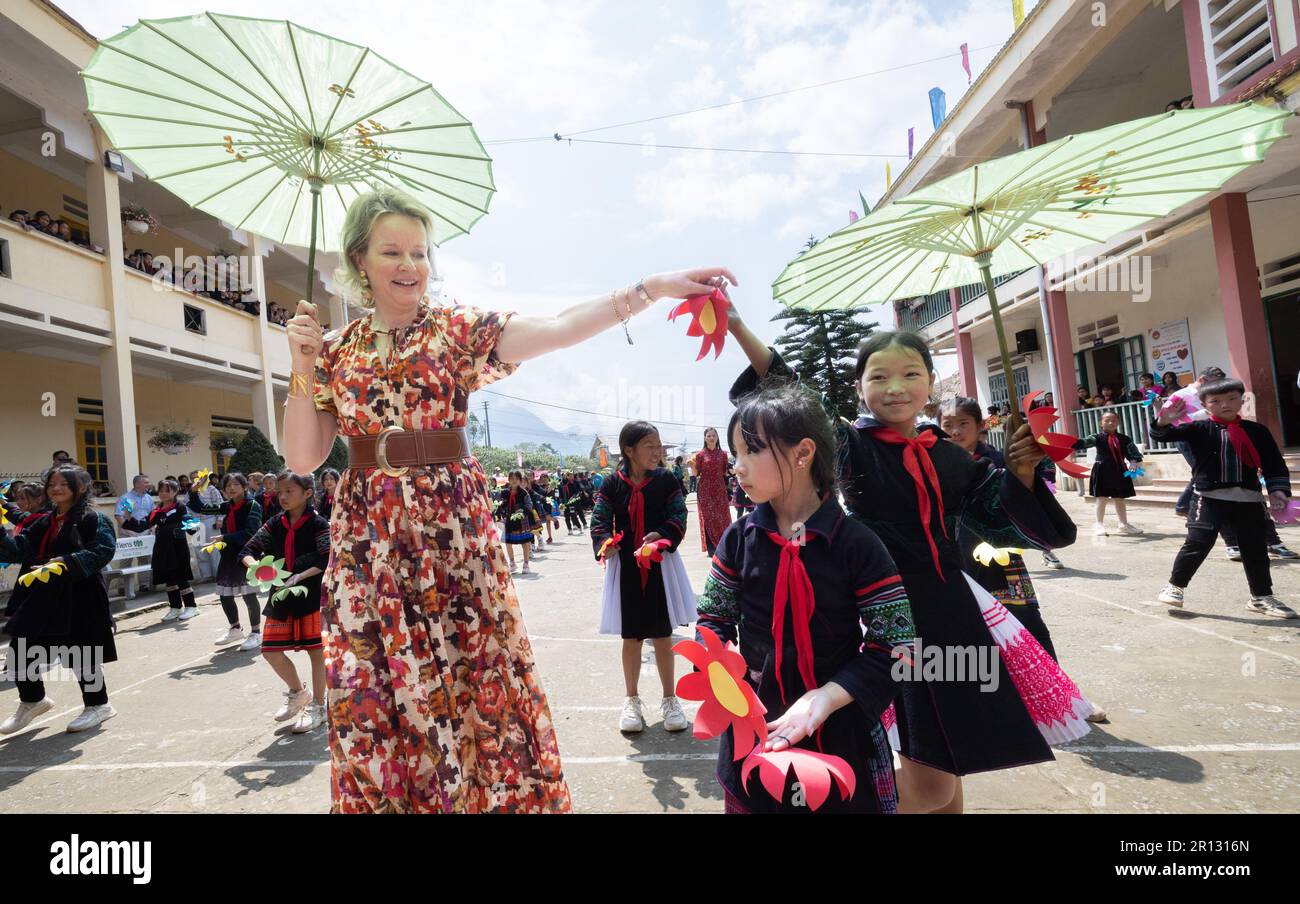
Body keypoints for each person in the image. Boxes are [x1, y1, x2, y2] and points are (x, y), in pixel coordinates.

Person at [282, 185, 735, 812]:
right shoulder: (333, 351)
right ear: (360, 259)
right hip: (369, 541)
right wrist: (302, 365)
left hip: (452, 531)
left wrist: (649, 289)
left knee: (474, 678)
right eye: (392, 251)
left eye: (420, 250)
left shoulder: (456, 331)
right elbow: (303, 458)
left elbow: (555, 329)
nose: (411, 264)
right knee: (372, 688)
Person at [727, 315, 1087, 814]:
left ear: (930, 383)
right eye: (879, 376)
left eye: (911, 373)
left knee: (952, 764)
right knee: (929, 784)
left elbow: (1004, 525)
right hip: (891, 619)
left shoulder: (952, 456)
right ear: (858, 387)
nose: (896, 387)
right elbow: (789, 386)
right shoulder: (848, 445)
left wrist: (1020, 474)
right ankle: (835, 799)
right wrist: (738, 326)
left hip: (955, 616)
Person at [698, 383, 914, 812]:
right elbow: (712, 622)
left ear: (802, 453)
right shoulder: (738, 540)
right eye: (734, 453)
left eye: (750, 451)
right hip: (754, 727)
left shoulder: (857, 544)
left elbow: (899, 646)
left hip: (839, 725)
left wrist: (826, 698)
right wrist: (727, 682)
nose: (736, 467)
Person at [942, 398, 1105, 721]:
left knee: (1029, 625)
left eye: (963, 424)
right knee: (960, 634)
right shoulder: (931, 461)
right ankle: (982, 705)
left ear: (980, 426)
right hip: (951, 559)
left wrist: (1023, 474)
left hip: (1000, 559)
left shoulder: (1000, 461)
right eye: (948, 425)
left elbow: (1018, 504)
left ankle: (1065, 698)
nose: (956, 431)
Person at [1152, 378, 1296, 617]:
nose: (1225, 404)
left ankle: (1261, 597)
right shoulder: (1199, 429)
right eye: (1216, 401)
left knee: (1255, 548)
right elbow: (1163, 435)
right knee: (1198, 541)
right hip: (1208, 497)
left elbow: (1273, 463)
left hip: (1248, 499)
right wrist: (1163, 421)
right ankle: (1175, 586)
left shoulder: (1257, 431)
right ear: (1205, 406)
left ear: (1242, 400)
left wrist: (1277, 491)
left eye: (1231, 398)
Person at [590, 420, 693, 734]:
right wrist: (604, 543)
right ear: (629, 450)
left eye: (659, 445)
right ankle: (631, 700)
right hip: (627, 567)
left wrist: (662, 535)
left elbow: (679, 514)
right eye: (650, 446)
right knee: (631, 635)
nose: (657, 451)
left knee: (662, 633)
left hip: (660, 565)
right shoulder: (612, 484)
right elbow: (600, 519)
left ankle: (669, 699)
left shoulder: (666, 480)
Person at [0, 466, 119, 734]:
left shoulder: (93, 519)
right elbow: (21, 550)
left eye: (63, 484)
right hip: (43, 592)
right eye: (52, 484)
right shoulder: (44, 521)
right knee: (20, 647)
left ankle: (98, 705)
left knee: (81, 650)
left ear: (80, 487)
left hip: (80, 592)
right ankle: (33, 701)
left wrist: (67, 562)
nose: (56, 488)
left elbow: (103, 550)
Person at [239, 470, 331, 733]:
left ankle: (318, 707)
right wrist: (256, 567)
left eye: (289, 491)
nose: (283, 496)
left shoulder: (319, 524)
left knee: (316, 651)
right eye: (280, 492)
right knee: (270, 650)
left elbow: (325, 558)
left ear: (308, 493)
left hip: (311, 594)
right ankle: (298, 692)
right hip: (280, 594)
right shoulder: (274, 524)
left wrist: (299, 576)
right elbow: (248, 550)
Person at [187, 472, 265, 651]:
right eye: (228, 485)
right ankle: (235, 628)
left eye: (236, 484)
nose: (231, 488)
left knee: (248, 594)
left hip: (246, 553)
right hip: (229, 553)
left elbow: (251, 532)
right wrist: (194, 490)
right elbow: (200, 507)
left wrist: (224, 537)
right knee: (225, 594)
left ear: (245, 487)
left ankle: (255, 633)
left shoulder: (252, 505)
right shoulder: (226, 506)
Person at [121, 478, 200, 622]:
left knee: (180, 578)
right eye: (161, 490)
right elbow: (142, 525)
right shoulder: (156, 510)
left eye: (167, 490)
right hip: (162, 548)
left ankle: (191, 607)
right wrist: (128, 515)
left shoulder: (180, 507)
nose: (163, 493)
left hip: (177, 547)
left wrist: (191, 526)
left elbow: (189, 524)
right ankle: (175, 608)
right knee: (169, 579)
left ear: (175, 492)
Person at [1073, 410, 1144, 536]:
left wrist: (1132, 468)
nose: (1111, 422)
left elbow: (1133, 455)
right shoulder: (1097, 437)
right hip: (1102, 469)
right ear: (1101, 423)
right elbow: (1083, 442)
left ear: (1118, 422)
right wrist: (1069, 442)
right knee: (1102, 498)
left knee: (1120, 498)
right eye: (1107, 420)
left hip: (1119, 469)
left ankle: (1123, 524)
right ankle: (1099, 524)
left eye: (1114, 420)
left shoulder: (1124, 439)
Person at [1168, 366, 1225, 516]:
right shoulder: (1179, 396)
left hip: (1209, 438)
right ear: (1202, 380)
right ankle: (1185, 505)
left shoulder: (1210, 395)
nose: (1216, 387)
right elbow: (1172, 422)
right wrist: (1204, 413)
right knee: (1202, 471)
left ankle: (1186, 506)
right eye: (1214, 383)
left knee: (1204, 471)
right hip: (1187, 440)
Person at [692, 426, 732, 556]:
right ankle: (712, 548)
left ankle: (725, 544)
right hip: (705, 490)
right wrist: (691, 466)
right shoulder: (699, 455)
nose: (711, 438)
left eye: (713, 435)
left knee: (722, 517)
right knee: (709, 518)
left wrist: (735, 471)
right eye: (708, 436)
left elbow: (726, 472)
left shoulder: (723, 454)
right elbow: (696, 473)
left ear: (717, 437)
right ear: (705, 438)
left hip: (720, 489)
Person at [497, 470, 537, 573]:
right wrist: (499, 507)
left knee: (525, 542)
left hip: (522, 520)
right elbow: (503, 505)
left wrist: (522, 509)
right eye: (512, 479)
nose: (514, 481)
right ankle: (512, 563)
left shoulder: (524, 493)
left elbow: (529, 505)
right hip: (510, 520)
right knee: (508, 542)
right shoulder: (505, 492)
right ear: (509, 480)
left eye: (516, 479)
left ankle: (526, 564)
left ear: (520, 480)